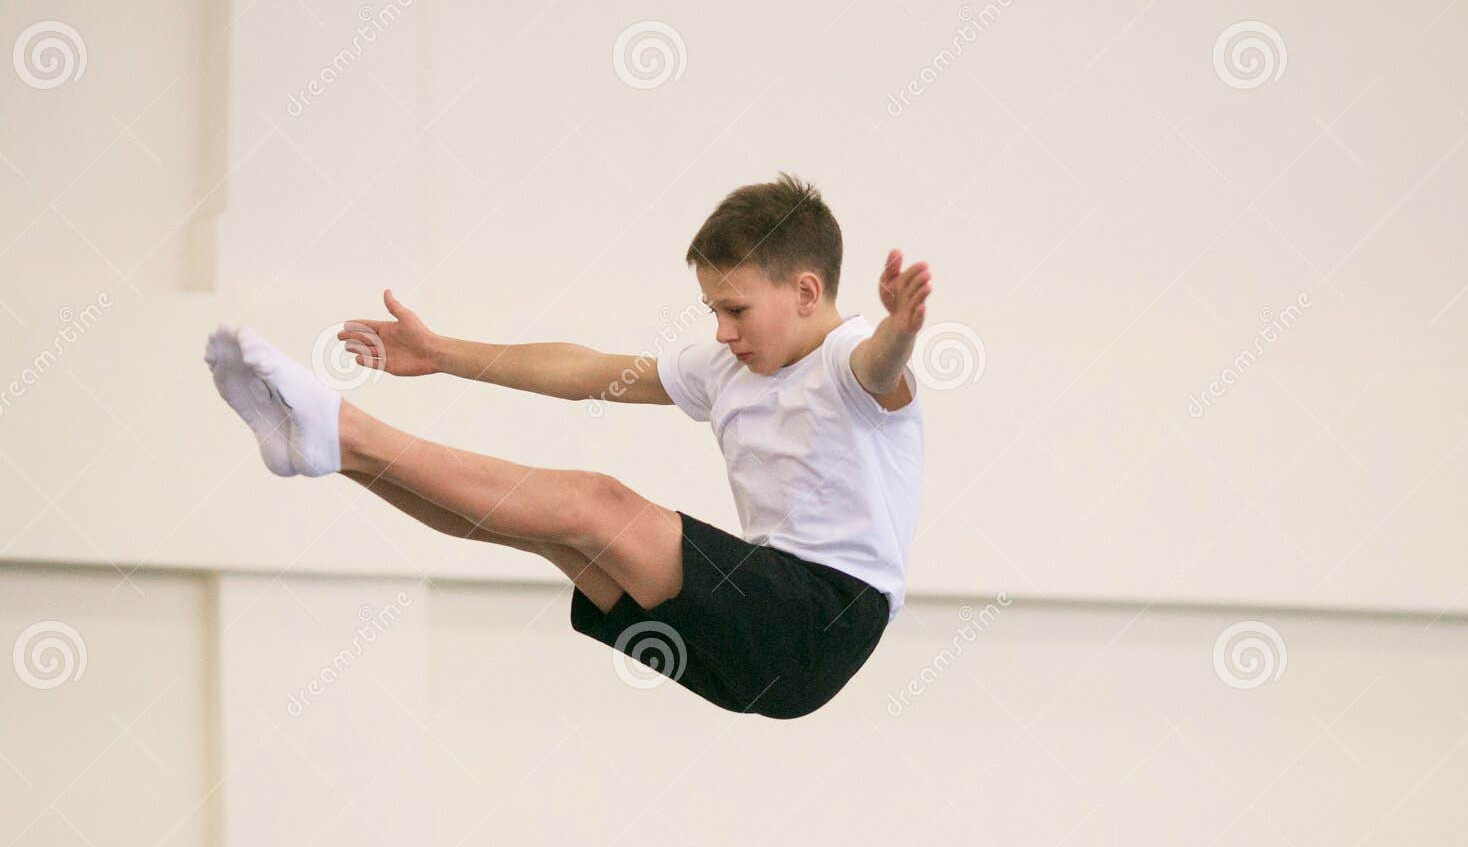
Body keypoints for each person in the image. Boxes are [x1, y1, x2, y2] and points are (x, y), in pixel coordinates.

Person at [204, 172, 930, 718]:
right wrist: (442, 352)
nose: (721, 332)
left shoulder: (848, 358)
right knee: (560, 537)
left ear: (807, 292)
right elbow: (584, 372)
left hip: (826, 618)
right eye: (713, 310)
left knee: (595, 503)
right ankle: (335, 453)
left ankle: (346, 427)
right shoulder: (725, 371)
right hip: (760, 651)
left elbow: (881, 371)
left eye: (735, 310)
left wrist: (900, 329)